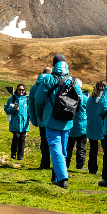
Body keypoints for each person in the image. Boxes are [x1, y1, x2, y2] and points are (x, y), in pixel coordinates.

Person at [30, 56, 76, 188]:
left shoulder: (48, 79)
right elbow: (79, 100)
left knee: (55, 147)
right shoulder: (72, 80)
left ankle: (62, 178)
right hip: (67, 120)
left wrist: (40, 116)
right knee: (63, 149)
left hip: (50, 119)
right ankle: (57, 177)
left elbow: (38, 100)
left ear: (54, 65)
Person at [28, 67, 53, 171]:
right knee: (54, 141)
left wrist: (34, 120)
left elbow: (32, 105)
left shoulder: (34, 87)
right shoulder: (54, 83)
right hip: (53, 118)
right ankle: (56, 164)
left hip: (41, 119)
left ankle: (44, 163)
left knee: (44, 141)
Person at [66, 79, 89, 172]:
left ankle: (66, 163)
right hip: (82, 126)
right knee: (81, 146)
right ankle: (80, 164)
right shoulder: (85, 98)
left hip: (70, 125)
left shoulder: (69, 97)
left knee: (69, 146)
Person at [4, 84, 30, 160]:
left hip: (24, 123)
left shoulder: (27, 100)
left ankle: (20, 155)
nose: (21, 91)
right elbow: (6, 109)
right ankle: (13, 153)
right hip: (15, 123)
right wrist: (13, 109)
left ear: (24, 90)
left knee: (22, 138)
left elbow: (30, 111)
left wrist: (32, 120)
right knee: (16, 137)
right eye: (19, 90)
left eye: (22, 90)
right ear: (16, 90)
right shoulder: (11, 99)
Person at [86, 81, 107, 174]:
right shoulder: (106, 99)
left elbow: (87, 111)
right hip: (103, 126)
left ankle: (92, 168)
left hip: (92, 125)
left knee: (93, 149)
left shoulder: (90, 99)